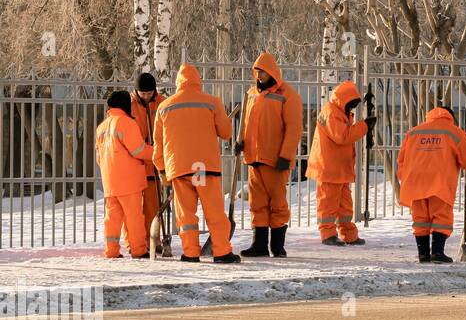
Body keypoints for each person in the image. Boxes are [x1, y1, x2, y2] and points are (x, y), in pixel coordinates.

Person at [153, 64, 238, 263]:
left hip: (179, 168)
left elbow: (158, 144)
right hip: (204, 167)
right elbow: (226, 133)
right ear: (198, 80)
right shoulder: (211, 102)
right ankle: (222, 252)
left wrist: (162, 169)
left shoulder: (164, 107)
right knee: (214, 211)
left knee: (186, 215)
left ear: (178, 83)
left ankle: (190, 253)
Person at [238, 52, 302, 258]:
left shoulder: (287, 94)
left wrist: (286, 155)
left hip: (275, 160)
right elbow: (245, 123)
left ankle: (277, 246)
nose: (258, 75)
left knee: (277, 203)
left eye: (262, 71)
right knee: (257, 203)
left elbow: (293, 128)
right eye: (256, 71)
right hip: (254, 157)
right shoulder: (251, 94)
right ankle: (259, 245)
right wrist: (240, 142)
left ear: (271, 72)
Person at [396, 105, 466, 263]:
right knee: (441, 216)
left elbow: (401, 161)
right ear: (450, 117)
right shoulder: (453, 132)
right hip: (440, 182)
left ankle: (423, 254)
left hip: (415, 182)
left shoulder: (413, 132)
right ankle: (437, 253)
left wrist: (405, 178)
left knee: (420, 219)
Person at [307, 79, 372, 246]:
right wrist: (364, 126)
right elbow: (343, 136)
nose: (353, 108)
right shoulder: (331, 113)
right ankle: (327, 233)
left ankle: (348, 234)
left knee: (344, 204)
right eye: (351, 104)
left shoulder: (338, 112)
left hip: (336, 167)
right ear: (344, 100)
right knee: (328, 202)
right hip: (329, 167)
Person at [94, 90, 155, 259]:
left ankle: (111, 250)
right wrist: (157, 153)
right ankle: (139, 250)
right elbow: (139, 150)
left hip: (110, 181)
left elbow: (99, 158)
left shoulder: (102, 127)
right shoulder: (126, 122)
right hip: (129, 180)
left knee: (112, 217)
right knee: (134, 216)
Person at [130, 72, 166, 252]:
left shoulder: (162, 103)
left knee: (154, 206)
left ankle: (154, 240)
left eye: (149, 93)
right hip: (135, 164)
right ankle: (134, 242)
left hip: (155, 163)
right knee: (133, 209)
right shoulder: (128, 105)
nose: (145, 96)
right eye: (142, 93)